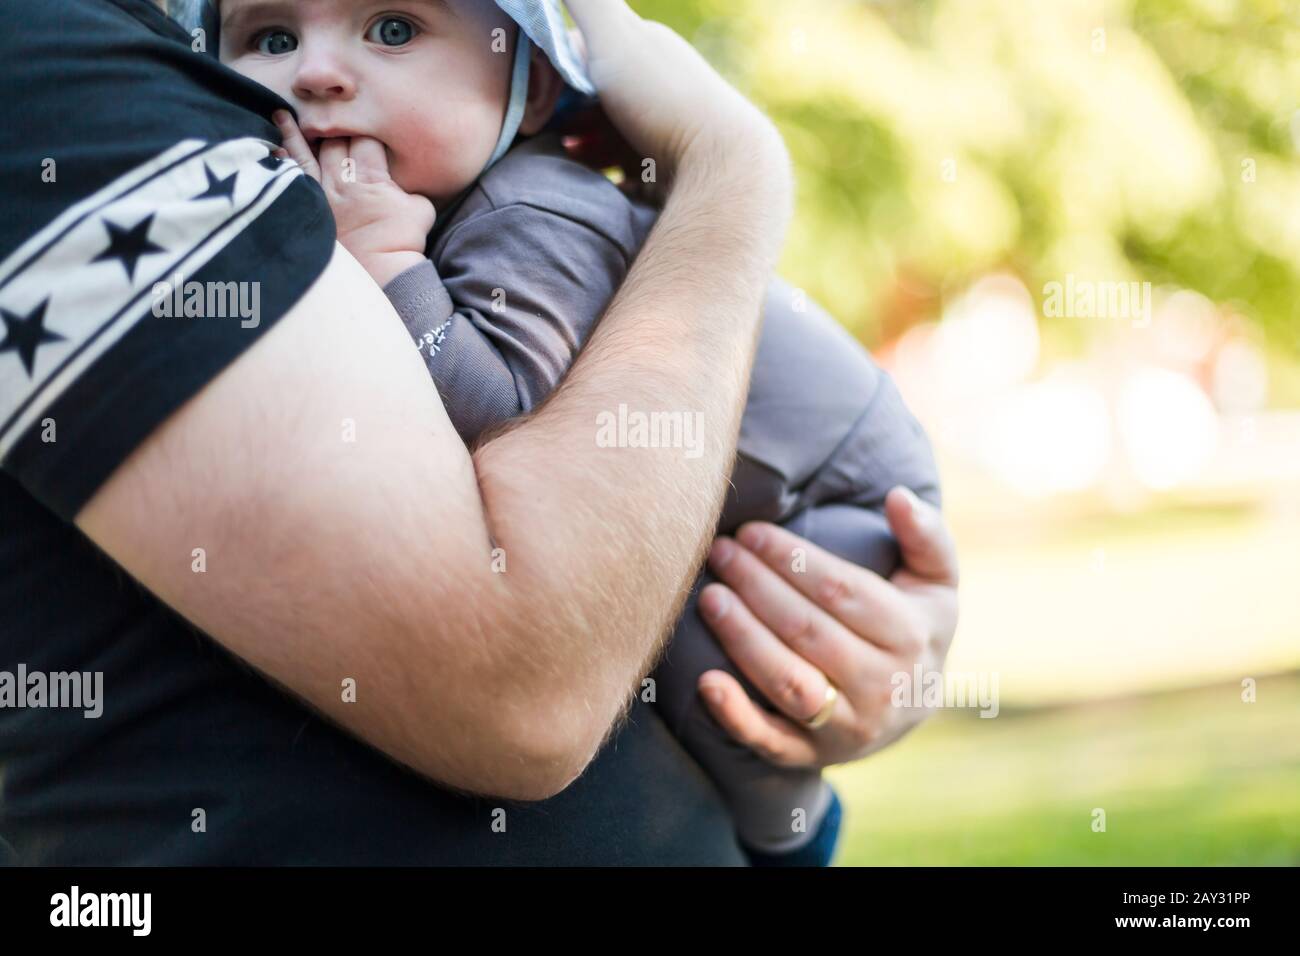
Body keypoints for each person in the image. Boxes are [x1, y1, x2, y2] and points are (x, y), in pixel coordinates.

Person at [0, 0, 959, 865]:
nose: (319, 72)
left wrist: (389, 269)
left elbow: (506, 426)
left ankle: (789, 833)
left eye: (393, 30)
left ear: (532, 86)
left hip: (826, 508)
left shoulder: (532, 210)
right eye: (272, 38)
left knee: (718, 667)